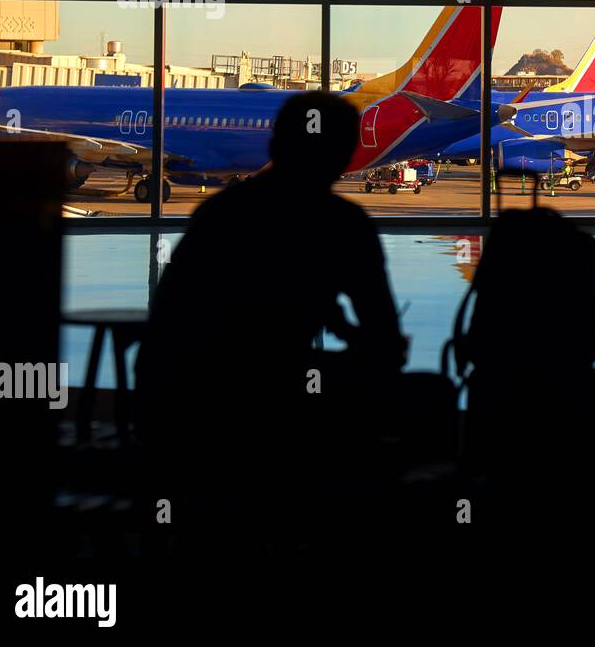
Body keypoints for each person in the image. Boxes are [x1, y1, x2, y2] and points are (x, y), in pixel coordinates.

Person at [134, 92, 406, 541]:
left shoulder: (221, 213)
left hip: (180, 405)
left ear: (277, 144)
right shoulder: (343, 224)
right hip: (261, 411)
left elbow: (176, 317)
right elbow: (382, 336)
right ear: (342, 156)